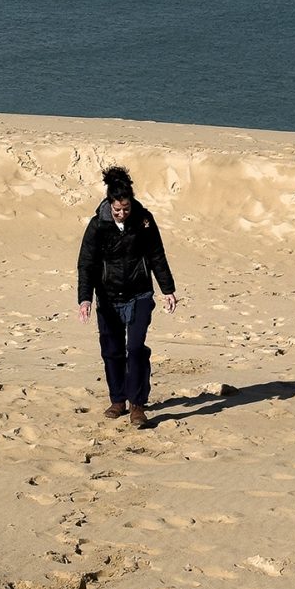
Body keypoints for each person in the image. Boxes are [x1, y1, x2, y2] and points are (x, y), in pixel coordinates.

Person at [77, 165, 177, 428]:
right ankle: (118, 400)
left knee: (135, 349)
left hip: (140, 294)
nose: (122, 214)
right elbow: (86, 264)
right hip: (108, 298)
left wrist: (168, 290)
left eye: (126, 208)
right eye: (117, 209)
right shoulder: (98, 225)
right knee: (111, 351)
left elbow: (157, 255)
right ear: (110, 203)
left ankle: (138, 405)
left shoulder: (144, 221)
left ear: (131, 203)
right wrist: (85, 298)